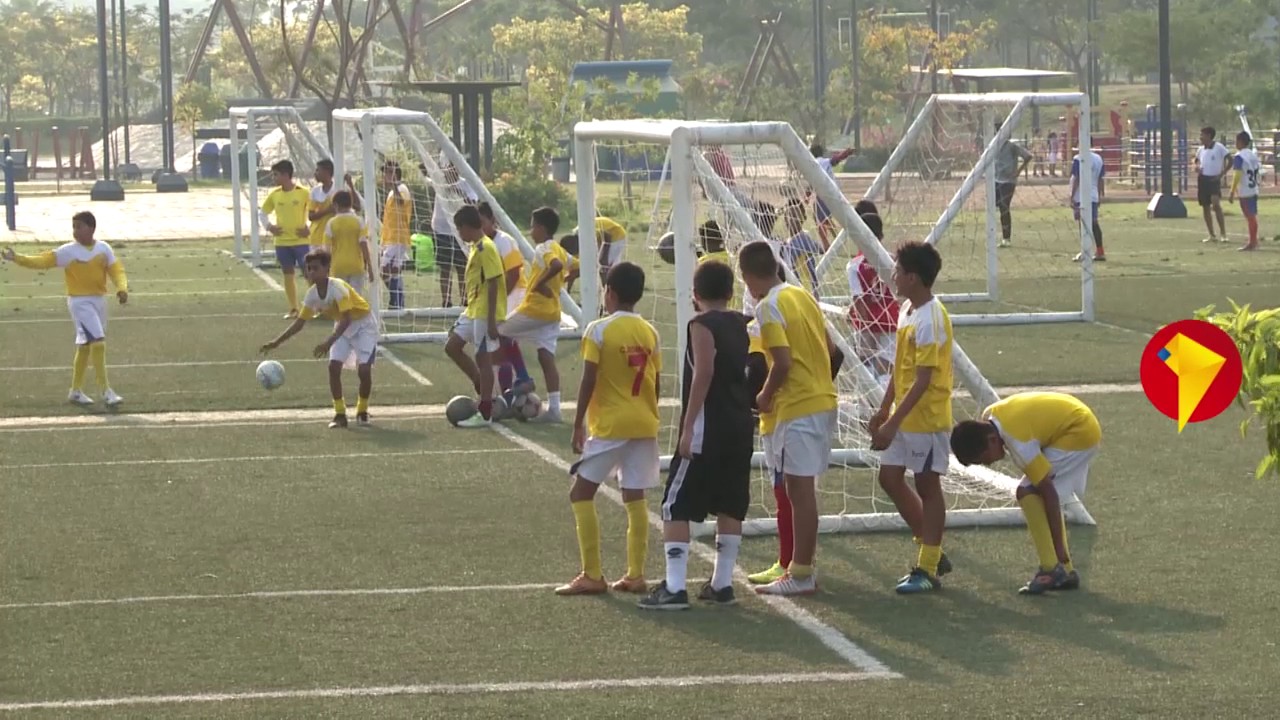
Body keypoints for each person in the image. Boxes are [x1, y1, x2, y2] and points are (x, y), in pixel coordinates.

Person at [640, 261, 753, 609]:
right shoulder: (742, 322)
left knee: (674, 504)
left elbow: (704, 371)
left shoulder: (701, 324)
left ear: (695, 294)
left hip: (710, 425)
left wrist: (687, 427)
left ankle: (674, 587)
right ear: (731, 292)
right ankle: (721, 584)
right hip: (740, 424)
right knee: (731, 502)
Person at [739, 241, 838, 596]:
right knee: (798, 490)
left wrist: (764, 396)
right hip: (820, 401)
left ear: (748, 276)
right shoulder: (802, 295)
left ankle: (801, 573)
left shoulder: (768, 307)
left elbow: (781, 362)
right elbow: (832, 351)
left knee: (798, 491)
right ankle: (798, 567)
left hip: (797, 407)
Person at [558, 262, 661, 597]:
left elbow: (589, 379)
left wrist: (577, 425)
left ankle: (592, 574)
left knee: (580, 493)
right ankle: (635, 574)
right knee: (635, 496)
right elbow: (654, 382)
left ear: (610, 293)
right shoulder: (650, 332)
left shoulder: (598, 330)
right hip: (644, 421)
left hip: (612, 424)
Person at [950, 392, 1101, 594]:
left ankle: (1052, 568)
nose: (988, 463)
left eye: (983, 458)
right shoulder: (991, 415)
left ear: (992, 440)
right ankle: (1064, 570)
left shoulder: (1018, 443)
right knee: (1031, 490)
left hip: (1079, 432)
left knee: (1028, 491)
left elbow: (1050, 495)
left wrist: (1060, 549)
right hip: (1077, 420)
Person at [870, 240, 954, 594]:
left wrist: (892, 422)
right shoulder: (907, 310)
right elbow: (899, 370)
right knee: (889, 479)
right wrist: (884, 408)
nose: (893, 277)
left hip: (927, 418)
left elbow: (923, 379)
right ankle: (932, 549)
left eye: (898, 271)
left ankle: (928, 566)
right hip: (905, 417)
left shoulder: (931, 318)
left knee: (927, 486)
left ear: (914, 278)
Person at [1, 211, 127, 406]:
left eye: (79, 226)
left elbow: (116, 270)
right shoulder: (69, 251)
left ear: (91, 228)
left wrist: (121, 288)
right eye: (73, 227)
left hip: (99, 301)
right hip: (80, 302)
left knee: (85, 346)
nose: (75, 231)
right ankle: (105, 391)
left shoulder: (104, 249)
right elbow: (43, 261)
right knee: (98, 342)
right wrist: (16, 257)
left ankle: (75, 391)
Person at [260, 249, 377, 429]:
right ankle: (340, 414)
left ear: (327, 269)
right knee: (333, 367)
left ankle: (362, 411)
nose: (311, 273)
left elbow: (346, 318)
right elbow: (300, 323)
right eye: (308, 269)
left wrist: (328, 342)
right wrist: (276, 342)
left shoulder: (338, 288)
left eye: (315, 268)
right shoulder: (312, 294)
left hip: (363, 325)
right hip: (342, 328)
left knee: (364, 371)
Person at [498, 207, 569, 422]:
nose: (530, 231)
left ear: (541, 228)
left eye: (532, 226)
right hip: (553, 312)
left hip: (535, 309)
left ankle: (519, 381)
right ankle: (555, 410)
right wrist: (559, 286)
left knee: (498, 332)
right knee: (546, 357)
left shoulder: (543, 248)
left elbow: (556, 266)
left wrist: (540, 282)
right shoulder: (559, 248)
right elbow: (572, 266)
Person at [445, 205, 506, 428]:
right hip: (473, 310)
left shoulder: (486, 249)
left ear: (467, 227)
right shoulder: (475, 246)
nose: (459, 234)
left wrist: (491, 321)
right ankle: (482, 386)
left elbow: (493, 284)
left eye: (460, 229)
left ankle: (486, 411)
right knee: (452, 346)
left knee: (484, 360)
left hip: (483, 313)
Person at [478, 201, 535, 398]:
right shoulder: (480, 245)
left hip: (514, 292)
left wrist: (498, 303)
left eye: (482, 222)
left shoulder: (504, 241)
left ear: (492, 221)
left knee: (501, 333)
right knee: (497, 347)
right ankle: (508, 394)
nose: (480, 228)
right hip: (499, 296)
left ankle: (523, 377)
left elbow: (513, 275)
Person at [846, 212, 898, 383]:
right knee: (886, 368)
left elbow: (859, 299)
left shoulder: (855, 265)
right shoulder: (892, 260)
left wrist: (865, 325)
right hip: (890, 320)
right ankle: (886, 407)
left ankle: (865, 408)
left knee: (866, 368)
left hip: (867, 323)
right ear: (881, 235)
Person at [259, 159, 312, 318]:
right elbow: (262, 213)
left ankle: (314, 307)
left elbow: (314, 212)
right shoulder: (275, 195)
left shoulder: (303, 193)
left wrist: (309, 228)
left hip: (301, 242)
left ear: (285, 174)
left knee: (309, 273)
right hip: (282, 242)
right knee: (287, 273)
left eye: (275, 174)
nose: (273, 178)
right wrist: (269, 227)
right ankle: (294, 308)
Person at [431, 163, 476, 307]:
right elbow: (425, 172)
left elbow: (473, 201)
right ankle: (446, 300)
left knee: (462, 267)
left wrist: (458, 191)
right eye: (447, 169)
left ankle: (464, 299)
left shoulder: (464, 184)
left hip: (459, 231)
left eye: (453, 168)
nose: (450, 172)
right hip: (441, 230)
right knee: (445, 268)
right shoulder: (439, 182)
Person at [323, 190, 374, 295]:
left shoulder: (331, 223)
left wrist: (325, 269)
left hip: (338, 266)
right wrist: (369, 266)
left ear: (336, 205)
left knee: (340, 299)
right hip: (356, 265)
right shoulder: (359, 221)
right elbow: (364, 245)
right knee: (355, 299)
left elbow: (326, 250)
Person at [993, 123, 1033, 248]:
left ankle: (1006, 238)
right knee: (995, 206)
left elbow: (1028, 156)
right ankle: (995, 234)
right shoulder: (994, 146)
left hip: (1008, 182)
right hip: (996, 180)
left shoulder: (1012, 146)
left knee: (1004, 207)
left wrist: (1018, 171)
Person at [379, 161, 413, 310]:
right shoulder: (392, 192)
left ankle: (397, 300)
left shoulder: (402, 189)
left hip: (398, 237)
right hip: (391, 237)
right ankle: (397, 301)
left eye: (387, 173)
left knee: (384, 269)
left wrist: (393, 183)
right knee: (392, 270)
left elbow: (401, 202)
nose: (385, 176)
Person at [810, 143, 856, 248]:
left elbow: (835, 160)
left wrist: (846, 153)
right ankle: (836, 238)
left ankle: (826, 245)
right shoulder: (822, 162)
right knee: (824, 218)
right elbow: (835, 160)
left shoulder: (818, 162)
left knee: (819, 220)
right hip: (832, 193)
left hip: (826, 195)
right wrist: (846, 153)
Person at [1070, 145, 1107, 263]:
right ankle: (1100, 251)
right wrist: (1100, 195)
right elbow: (1101, 179)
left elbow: (1077, 178)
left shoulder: (1078, 158)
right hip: (1093, 195)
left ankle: (1085, 252)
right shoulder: (1098, 158)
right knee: (1094, 223)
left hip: (1081, 195)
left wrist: (1072, 196)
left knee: (1083, 224)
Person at [1195, 126, 1230, 243]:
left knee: (1215, 204)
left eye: (1202, 135)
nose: (1201, 137)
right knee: (1205, 207)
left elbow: (1230, 159)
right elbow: (1195, 161)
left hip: (1213, 180)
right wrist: (1196, 167)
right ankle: (1211, 234)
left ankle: (1223, 233)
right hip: (1203, 179)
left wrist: (1221, 174)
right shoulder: (1200, 150)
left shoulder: (1219, 147)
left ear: (1209, 135)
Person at [1229, 130, 1262, 252]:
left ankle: (1252, 242)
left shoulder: (1239, 156)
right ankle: (1254, 240)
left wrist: (1232, 191)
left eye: (1236, 141)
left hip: (1245, 190)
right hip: (1253, 188)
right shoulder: (1252, 155)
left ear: (1240, 141)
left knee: (1250, 217)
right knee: (1251, 216)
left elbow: (1237, 174)